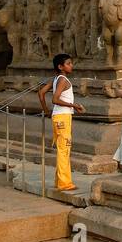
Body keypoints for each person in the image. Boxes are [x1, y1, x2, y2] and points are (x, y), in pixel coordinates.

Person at [39, 53, 84, 191]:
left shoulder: (56, 78)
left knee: (62, 149)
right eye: (68, 63)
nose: (71, 66)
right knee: (64, 150)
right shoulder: (63, 79)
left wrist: (47, 111)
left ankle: (60, 181)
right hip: (63, 117)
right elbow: (55, 99)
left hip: (58, 116)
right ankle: (65, 183)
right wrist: (74, 105)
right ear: (60, 66)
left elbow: (41, 93)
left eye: (71, 63)